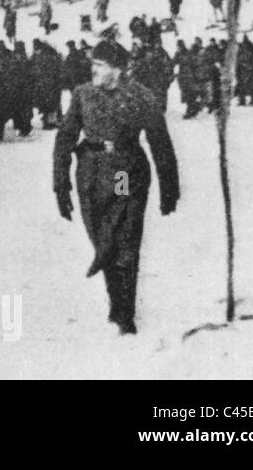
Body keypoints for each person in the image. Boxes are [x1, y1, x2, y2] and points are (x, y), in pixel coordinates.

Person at [53, 40, 179, 335]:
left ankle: (124, 312)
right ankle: (116, 297)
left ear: (116, 69)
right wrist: (61, 184)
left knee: (123, 235)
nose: (92, 70)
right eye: (93, 64)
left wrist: (169, 187)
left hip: (124, 172)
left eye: (99, 65)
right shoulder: (83, 94)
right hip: (91, 174)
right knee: (102, 237)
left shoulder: (138, 96)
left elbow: (160, 142)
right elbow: (65, 138)